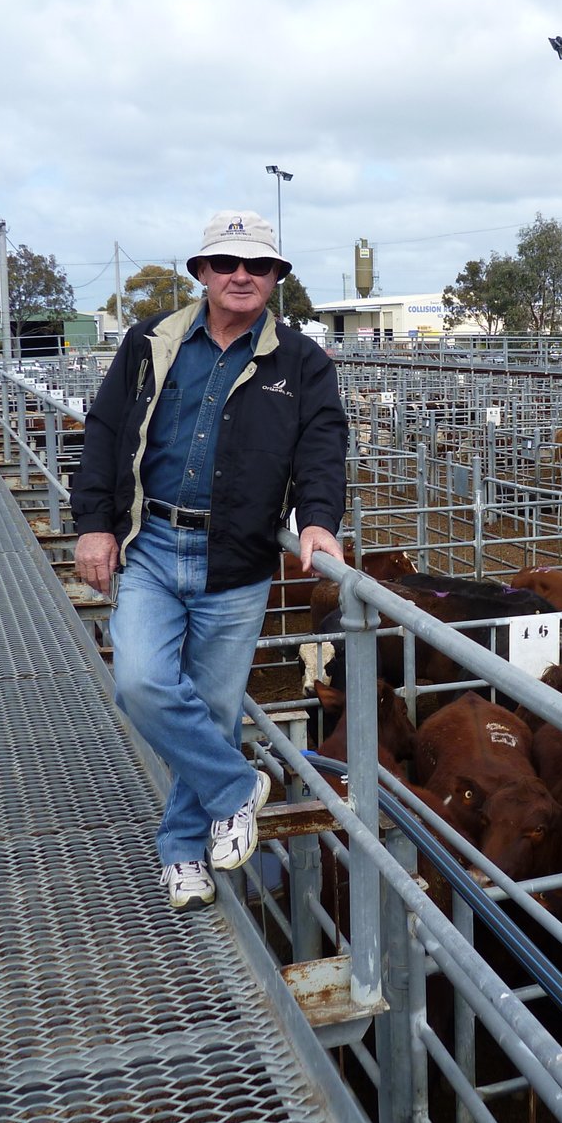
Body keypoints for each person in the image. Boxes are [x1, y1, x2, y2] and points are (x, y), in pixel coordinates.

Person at [71, 210, 348, 910]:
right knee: (141, 683)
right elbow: (105, 431)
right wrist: (93, 526)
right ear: (201, 273)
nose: (242, 276)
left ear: (277, 279)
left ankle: (182, 853)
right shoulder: (151, 341)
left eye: (259, 266)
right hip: (155, 543)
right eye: (227, 263)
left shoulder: (303, 362)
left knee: (216, 711)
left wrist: (318, 522)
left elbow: (322, 445)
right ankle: (236, 787)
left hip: (238, 554)